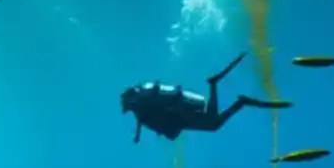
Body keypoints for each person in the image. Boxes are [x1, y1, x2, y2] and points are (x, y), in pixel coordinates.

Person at [120, 52, 290, 143]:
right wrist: (137, 136)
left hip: (179, 116)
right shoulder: (139, 105)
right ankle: (236, 100)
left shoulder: (138, 105)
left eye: (126, 105)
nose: (128, 108)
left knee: (212, 123)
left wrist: (137, 136)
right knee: (213, 124)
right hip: (179, 117)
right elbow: (140, 121)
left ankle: (220, 88)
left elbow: (142, 118)